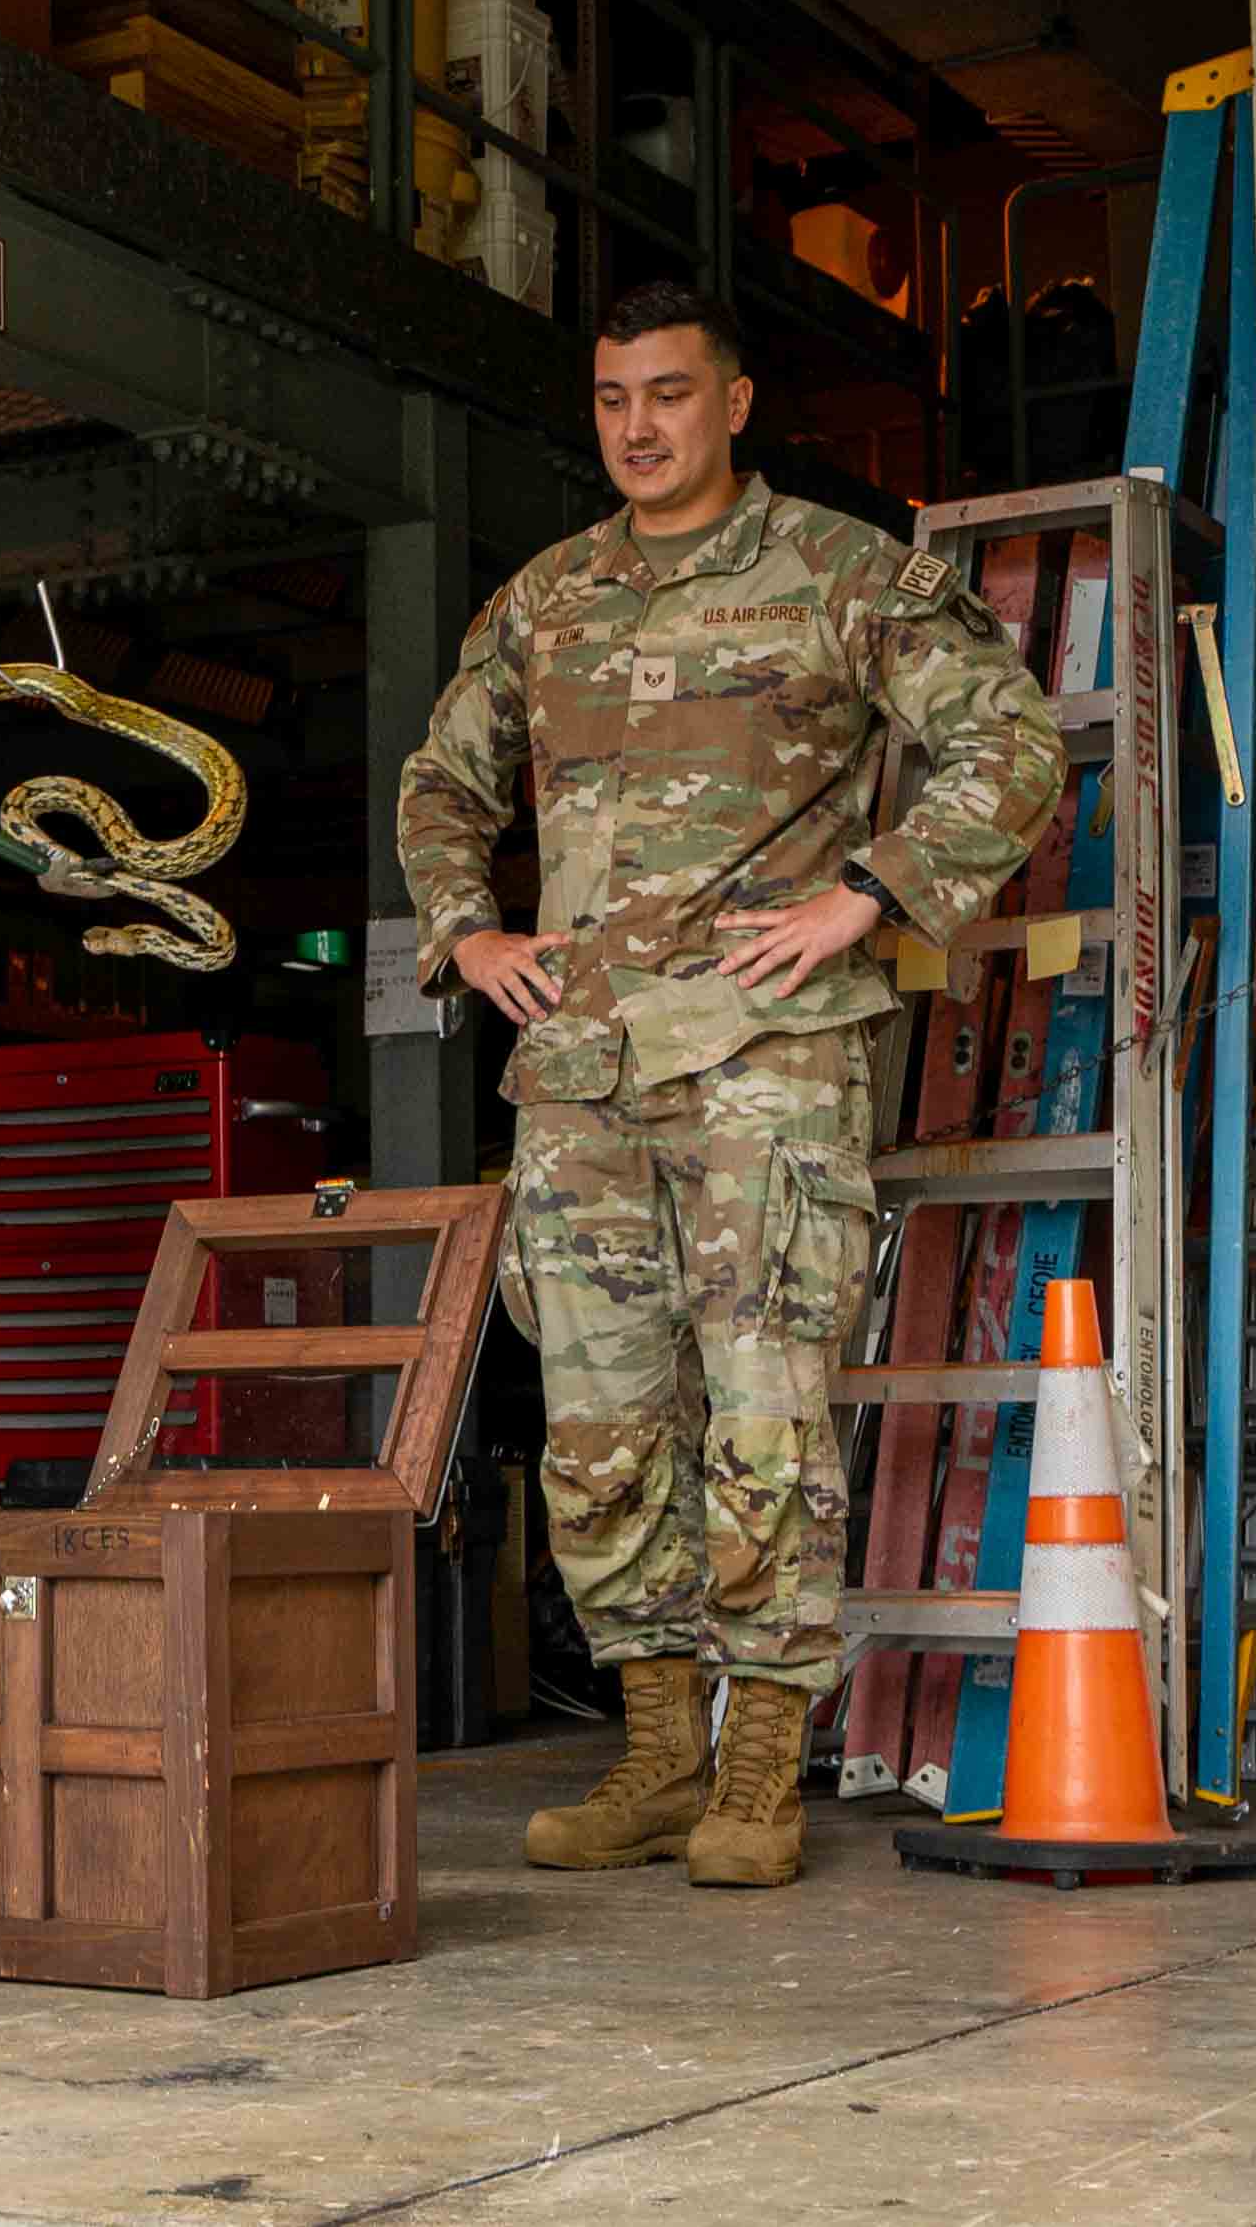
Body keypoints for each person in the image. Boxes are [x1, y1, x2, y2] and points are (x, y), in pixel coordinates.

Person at [396, 282, 1064, 1890]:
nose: (638, 426)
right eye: (613, 397)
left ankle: (760, 1765)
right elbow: (441, 778)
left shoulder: (840, 572)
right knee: (599, 1427)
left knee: (764, 1416)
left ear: (736, 401)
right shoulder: (547, 597)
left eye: (669, 393)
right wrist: (465, 931)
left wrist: (872, 894)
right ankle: (655, 1755)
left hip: (765, 1062)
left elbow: (1012, 738)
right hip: (579, 1071)